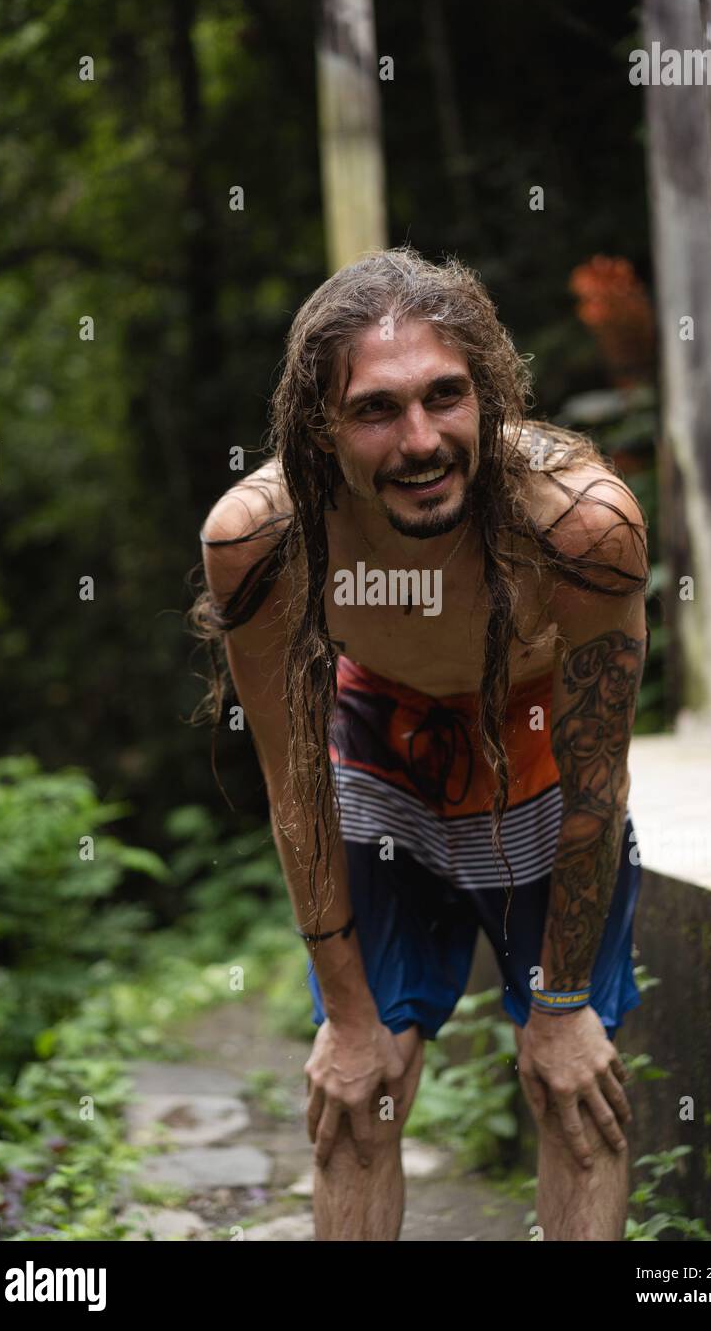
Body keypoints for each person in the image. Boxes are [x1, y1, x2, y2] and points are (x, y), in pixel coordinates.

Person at [192, 246, 650, 1241]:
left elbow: (594, 782)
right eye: (374, 409)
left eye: (444, 397)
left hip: (533, 754)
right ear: (319, 423)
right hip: (380, 742)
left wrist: (561, 1003)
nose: (418, 440)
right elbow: (294, 778)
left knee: (573, 1092)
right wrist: (351, 1019)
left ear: (486, 393)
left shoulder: (576, 523)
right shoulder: (261, 537)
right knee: (362, 1091)